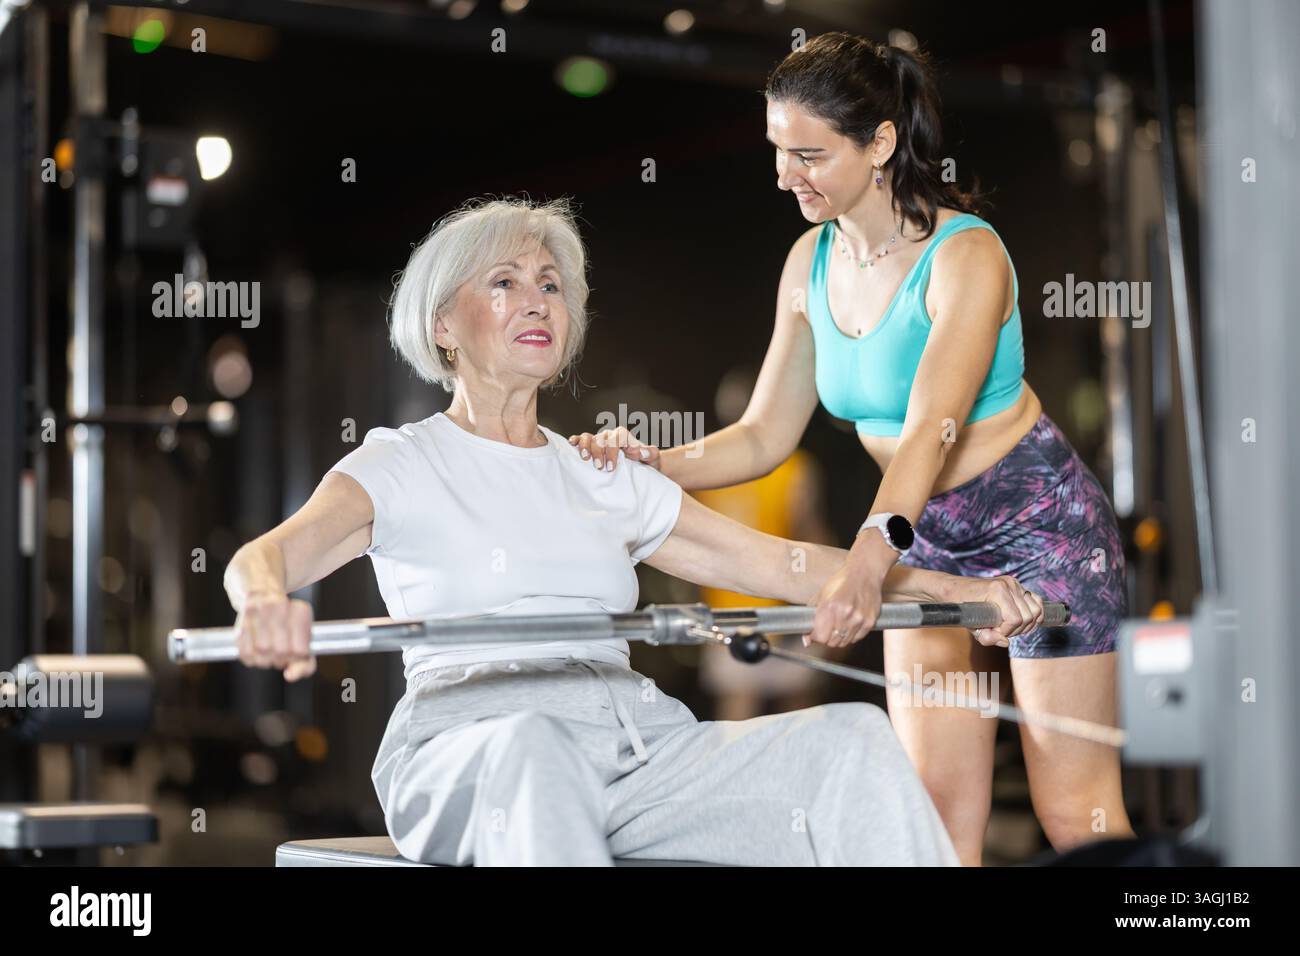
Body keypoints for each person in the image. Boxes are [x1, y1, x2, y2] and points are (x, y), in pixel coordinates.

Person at [222, 196, 1043, 866]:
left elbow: (790, 566)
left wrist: (959, 590)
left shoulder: (599, 473)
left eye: (550, 284)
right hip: (471, 747)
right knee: (533, 749)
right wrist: (263, 600)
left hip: (632, 745)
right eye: (504, 283)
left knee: (853, 744)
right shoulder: (402, 463)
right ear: (443, 325)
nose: (538, 299)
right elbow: (269, 557)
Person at [569, 34, 1132, 865]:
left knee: (1073, 815)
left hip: (1043, 533)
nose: (783, 175)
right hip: (924, 538)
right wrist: (649, 463)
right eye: (776, 151)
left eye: (808, 154)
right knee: (933, 824)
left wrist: (865, 564)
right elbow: (763, 435)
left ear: (879, 145)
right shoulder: (809, 262)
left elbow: (931, 436)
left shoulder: (966, 254)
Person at [693, 366, 836, 720]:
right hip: (750, 608)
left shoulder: (705, 465)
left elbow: (810, 533)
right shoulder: (793, 468)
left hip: (758, 609)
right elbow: (813, 535)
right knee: (784, 712)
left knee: (770, 713)